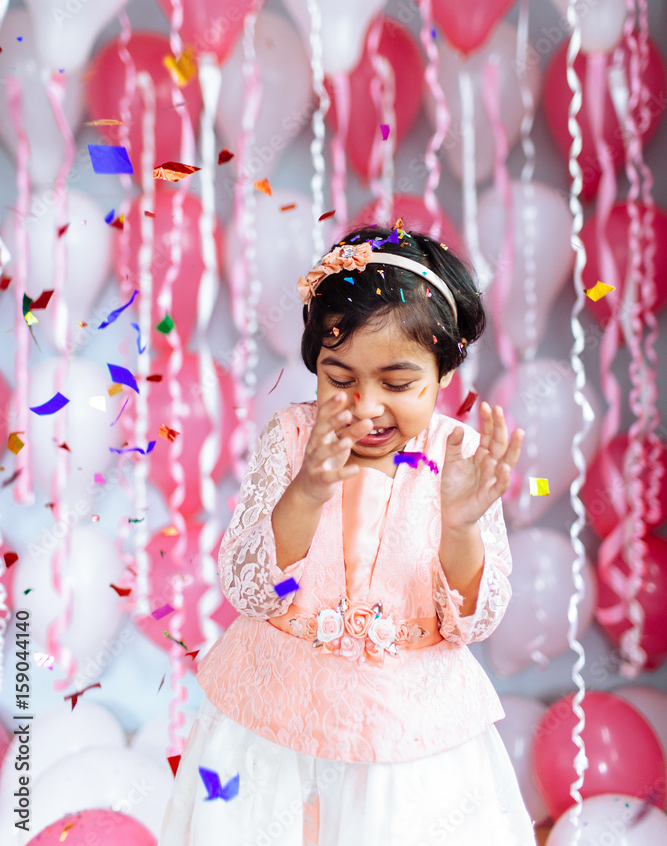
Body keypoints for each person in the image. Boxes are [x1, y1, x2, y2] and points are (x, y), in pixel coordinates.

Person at [158, 221, 536, 846]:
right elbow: (249, 590)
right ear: (316, 367)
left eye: (397, 384)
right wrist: (306, 488)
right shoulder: (293, 437)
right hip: (279, 708)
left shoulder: (459, 456)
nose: (365, 406)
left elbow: (474, 621)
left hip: (406, 726)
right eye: (340, 379)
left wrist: (463, 524)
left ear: (444, 373)